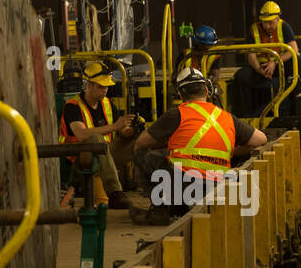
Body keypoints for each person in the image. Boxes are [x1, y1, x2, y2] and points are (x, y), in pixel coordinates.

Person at [130, 66, 267, 225]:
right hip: (218, 184)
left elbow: (141, 143)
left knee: (142, 156)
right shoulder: (227, 117)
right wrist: (228, 152)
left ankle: (160, 211)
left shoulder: (177, 114)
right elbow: (261, 139)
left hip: (184, 185)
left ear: (181, 94)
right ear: (207, 91)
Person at [58, 60, 137, 208]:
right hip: (81, 159)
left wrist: (134, 130)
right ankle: (115, 193)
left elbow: (123, 132)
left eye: (106, 86)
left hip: (106, 156)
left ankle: (157, 193)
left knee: (141, 140)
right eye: (101, 86)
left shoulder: (107, 103)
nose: (105, 90)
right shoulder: (72, 107)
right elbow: (81, 134)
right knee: (95, 139)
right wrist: (114, 126)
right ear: (88, 85)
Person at [231, 0, 299, 118]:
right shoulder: (254, 30)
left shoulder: (284, 27)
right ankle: (245, 116)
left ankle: (295, 111)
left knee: (298, 63)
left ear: (277, 19)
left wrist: (275, 63)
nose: (267, 26)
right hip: (261, 68)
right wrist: (258, 69)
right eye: (264, 23)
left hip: (279, 65)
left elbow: (294, 50)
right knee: (241, 76)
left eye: (271, 23)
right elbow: (251, 55)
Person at [173, 25, 223, 106]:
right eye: (207, 45)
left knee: (216, 91)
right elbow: (175, 75)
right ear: (199, 44)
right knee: (171, 92)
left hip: (205, 86)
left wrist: (204, 84)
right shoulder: (185, 54)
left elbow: (215, 76)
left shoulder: (214, 56)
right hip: (186, 85)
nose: (210, 47)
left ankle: (217, 116)